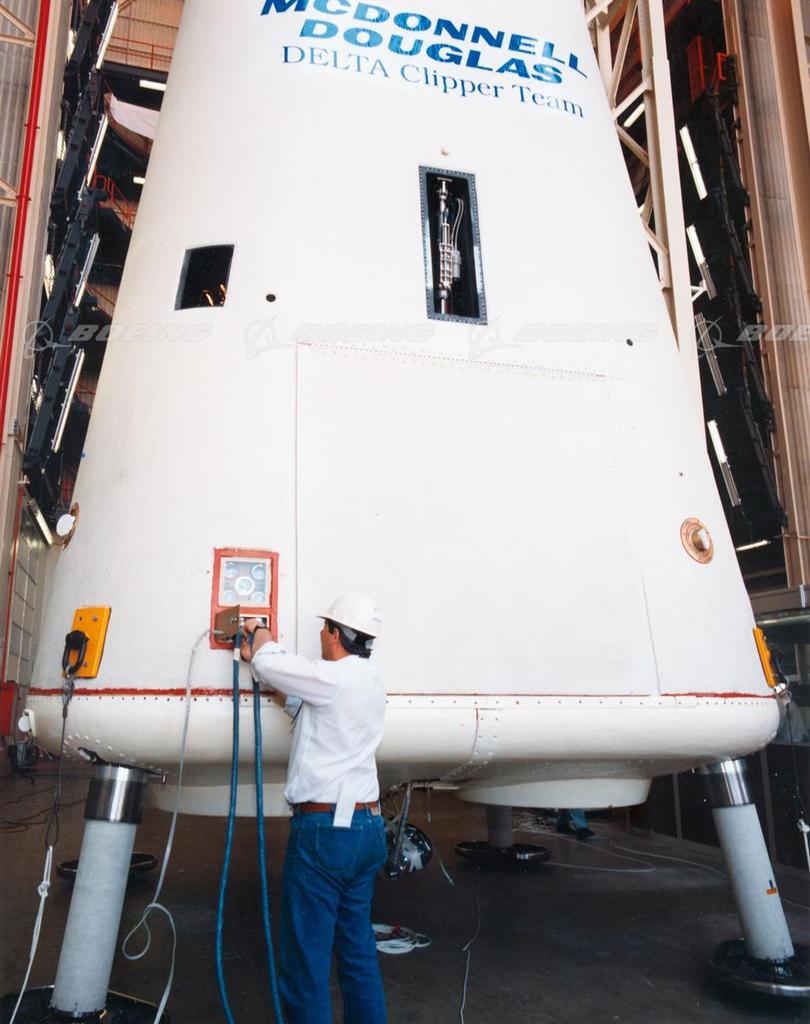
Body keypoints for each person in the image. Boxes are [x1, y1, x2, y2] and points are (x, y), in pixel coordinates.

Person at [241, 592, 387, 1024]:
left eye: (325, 628)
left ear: (337, 634)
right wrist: (272, 678)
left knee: (305, 963)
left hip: (326, 834)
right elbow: (309, 705)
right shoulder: (369, 680)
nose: (322, 636)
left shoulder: (334, 676)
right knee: (357, 951)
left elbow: (271, 662)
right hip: (366, 830)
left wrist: (259, 633)